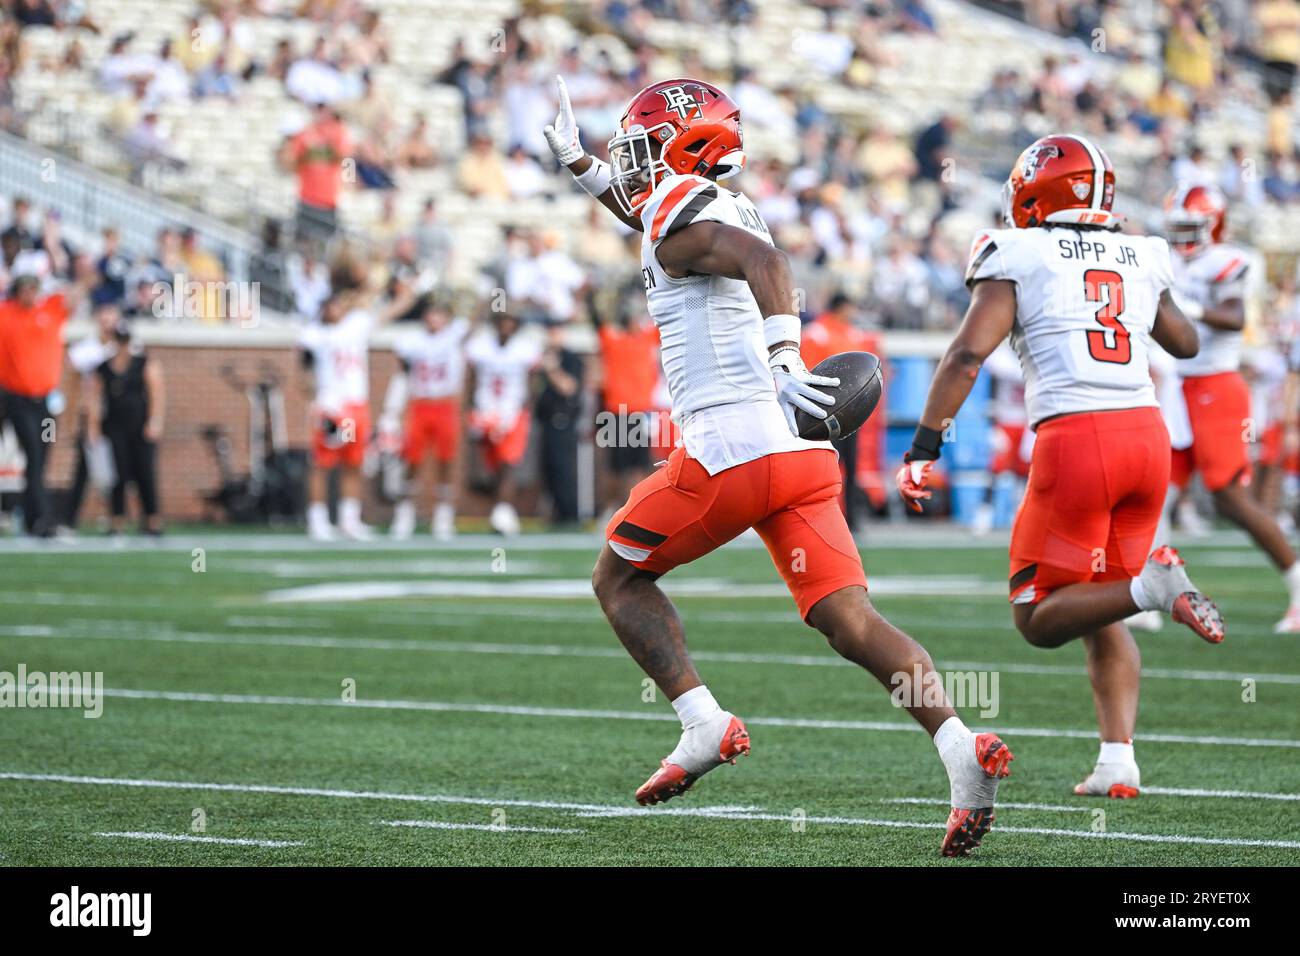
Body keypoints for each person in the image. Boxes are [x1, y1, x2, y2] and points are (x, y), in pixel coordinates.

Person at [546, 76, 1012, 857]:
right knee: (850, 619)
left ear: (689, 147)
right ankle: (962, 751)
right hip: (799, 454)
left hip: (729, 450)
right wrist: (581, 167)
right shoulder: (705, 204)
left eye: (642, 148)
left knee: (617, 577)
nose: (628, 162)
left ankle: (703, 723)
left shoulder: (691, 214)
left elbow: (762, 260)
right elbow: (664, 222)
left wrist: (786, 349)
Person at [898, 135, 1223, 800]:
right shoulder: (1141, 251)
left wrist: (924, 446)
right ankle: (1118, 759)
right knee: (1097, 607)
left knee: (1038, 614)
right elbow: (1185, 343)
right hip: (1145, 437)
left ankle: (1153, 591)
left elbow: (966, 356)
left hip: (1078, 441)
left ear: (1037, 192)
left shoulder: (1018, 250)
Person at [1162, 185, 1300, 633]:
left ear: (1214, 225)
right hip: (1175, 388)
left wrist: (1190, 306)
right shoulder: (1164, 259)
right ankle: (1149, 599)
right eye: (1177, 228)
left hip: (1217, 386)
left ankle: (1297, 582)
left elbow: (1236, 318)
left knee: (1231, 499)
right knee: (1154, 495)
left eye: (1191, 228)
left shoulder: (1229, 261)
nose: (1183, 237)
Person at [298, 280, 413, 541]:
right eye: (330, 306)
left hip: (356, 406)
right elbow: (304, 375)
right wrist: (316, 402)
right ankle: (317, 520)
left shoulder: (356, 325)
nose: (334, 310)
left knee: (353, 463)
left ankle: (348, 519)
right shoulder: (314, 334)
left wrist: (404, 292)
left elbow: (393, 309)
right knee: (321, 463)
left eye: (338, 305)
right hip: (331, 407)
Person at [0, 268, 93, 537]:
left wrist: (85, 274)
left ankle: (34, 518)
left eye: (34, 288)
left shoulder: (50, 311)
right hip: (17, 399)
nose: (31, 293)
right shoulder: (6, 315)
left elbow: (73, 297)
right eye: (26, 288)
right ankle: (41, 518)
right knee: (34, 452)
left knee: (43, 455)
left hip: (47, 403)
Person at [386, 299, 470, 540]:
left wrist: (491, 294)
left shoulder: (455, 335)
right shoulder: (412, 341)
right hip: (420, 403)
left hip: (445, 403)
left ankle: (443, 515)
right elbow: (402, 372)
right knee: (411, 459)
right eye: (431, 314)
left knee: (446, 460)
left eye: (440, 314)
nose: (435, 319)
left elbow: (475, 322)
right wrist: (393, 410)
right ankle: (405, 513)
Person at [464, 311, 542, 536]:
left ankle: (503, 511)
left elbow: (532, 383)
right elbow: (471, 378)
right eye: (502, 322)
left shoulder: (525, 349)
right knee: (492, 466)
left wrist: (523, 410)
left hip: (512, 413)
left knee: (510, 462)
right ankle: (502, 510)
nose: (506, 326)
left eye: (511, 322)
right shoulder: (480, 346)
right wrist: (470, 412)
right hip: (486, 412)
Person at [88, 320, 165, 535]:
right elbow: (94, 399)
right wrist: (93, 429)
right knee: (117, 474)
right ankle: (117, 520)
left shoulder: (143, 363)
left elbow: (156, 394)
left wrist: (155, 421)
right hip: (114, 426)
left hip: (140, 426)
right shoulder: (103, 367)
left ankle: (152, 519)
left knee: (145, 472)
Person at [534, 321, 585, 527]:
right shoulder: (543, 356)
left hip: (563, 421)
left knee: (564, 469)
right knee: (549, 468)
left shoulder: (570, 359)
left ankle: (569, 515)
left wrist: (552, 370)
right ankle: (555, 512)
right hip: (546, 422)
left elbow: (569, 388)